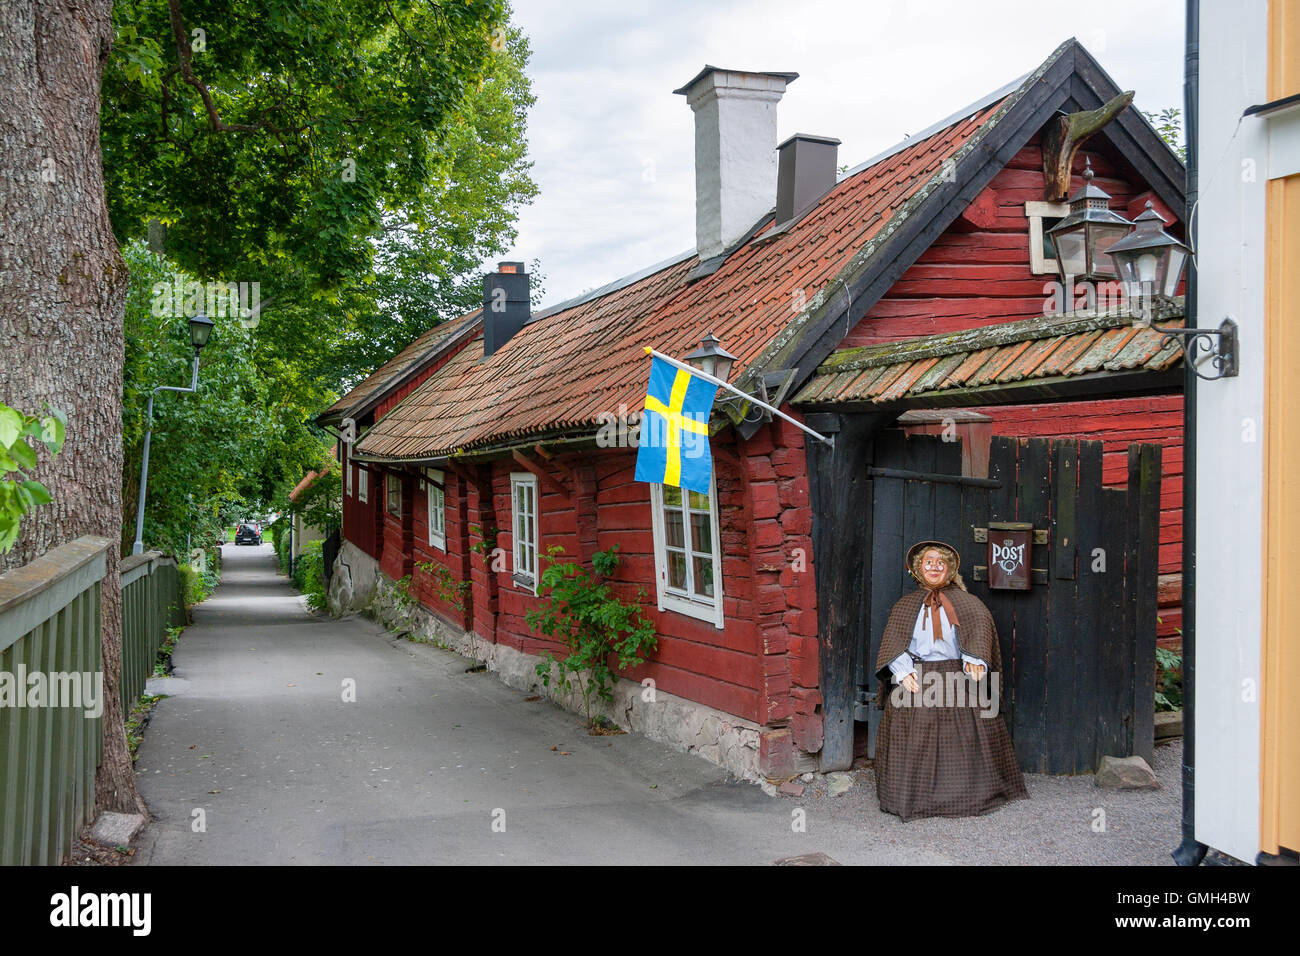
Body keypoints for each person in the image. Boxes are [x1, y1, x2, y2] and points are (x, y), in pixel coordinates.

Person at [872, 540, 1028, 821]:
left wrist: (975, 660)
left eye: (940, 562)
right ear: (918, 569)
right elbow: (894, 642)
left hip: (958, 676)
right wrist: (903, 670)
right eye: (928, 562)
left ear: (950, 568)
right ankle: (913, 796)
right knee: (915, 734)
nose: (934, 567)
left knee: (965, 736)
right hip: (918, 678)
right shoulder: (905, 606)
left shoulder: (968, 604)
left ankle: (967, 795)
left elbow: (980, 632)